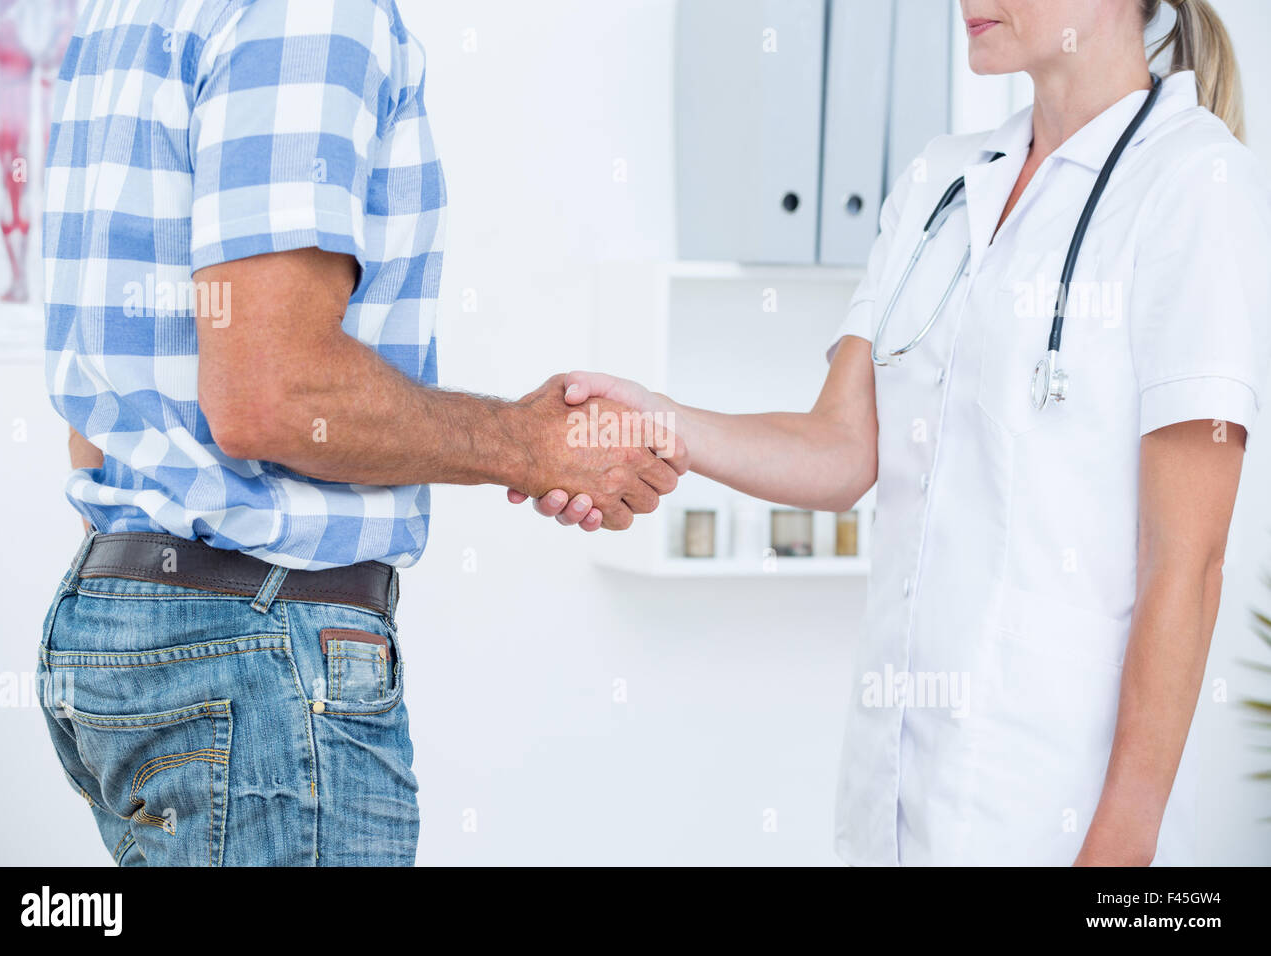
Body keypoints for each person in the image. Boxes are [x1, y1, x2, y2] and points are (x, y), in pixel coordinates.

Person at [523, 0, 1270, 865]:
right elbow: (840, 449)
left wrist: (1117, 852)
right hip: (893, 803)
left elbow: (1190, 563)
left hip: (1056, 812)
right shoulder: (940, 179)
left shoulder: (1192, 186)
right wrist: (662, 417)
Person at [38, 0, 682, 866]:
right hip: (259, 663)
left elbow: (105, 372)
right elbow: (270, 393)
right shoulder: (312, 12)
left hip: (115, 624)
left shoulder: (121, 12)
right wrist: (531, 445)